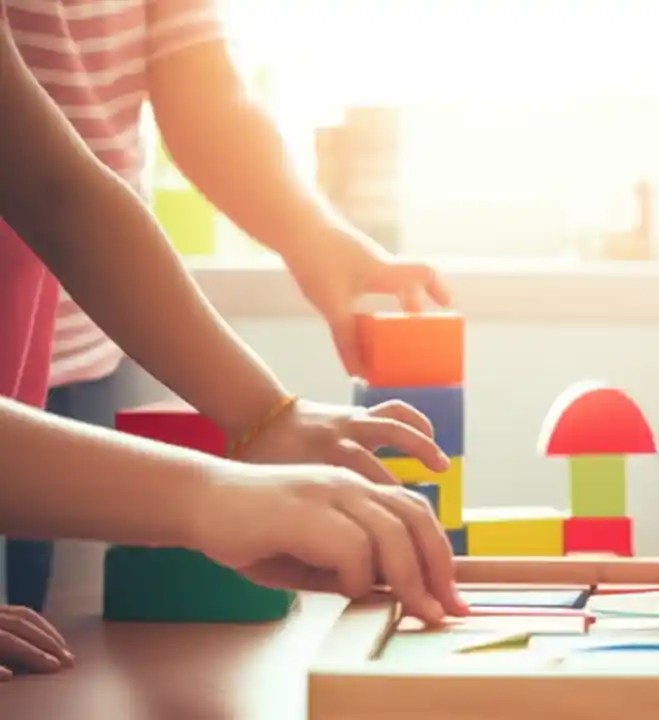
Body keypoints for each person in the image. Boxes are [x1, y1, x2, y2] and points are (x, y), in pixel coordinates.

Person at [0, 7, 464, 678]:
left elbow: (58, 192)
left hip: (65, 364)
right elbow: (54, 193)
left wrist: (263, 417)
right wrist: (215, 492)